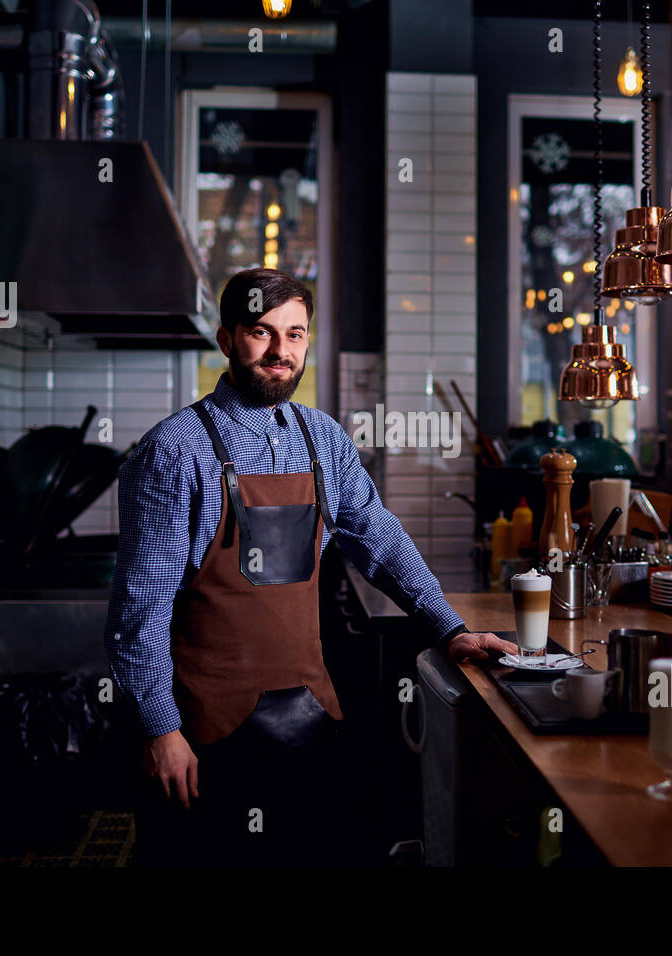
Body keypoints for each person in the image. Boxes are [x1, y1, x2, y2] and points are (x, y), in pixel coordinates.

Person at [104, 267, 516, 866]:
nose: (281, 352)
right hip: (203, 734)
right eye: (261, 333)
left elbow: (380, 539)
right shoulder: (174, 451)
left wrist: (449, 629)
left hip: (312, 717)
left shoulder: (322, 438)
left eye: (295, 335)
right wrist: (161, 730)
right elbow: (140, 610)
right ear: (226, 341)